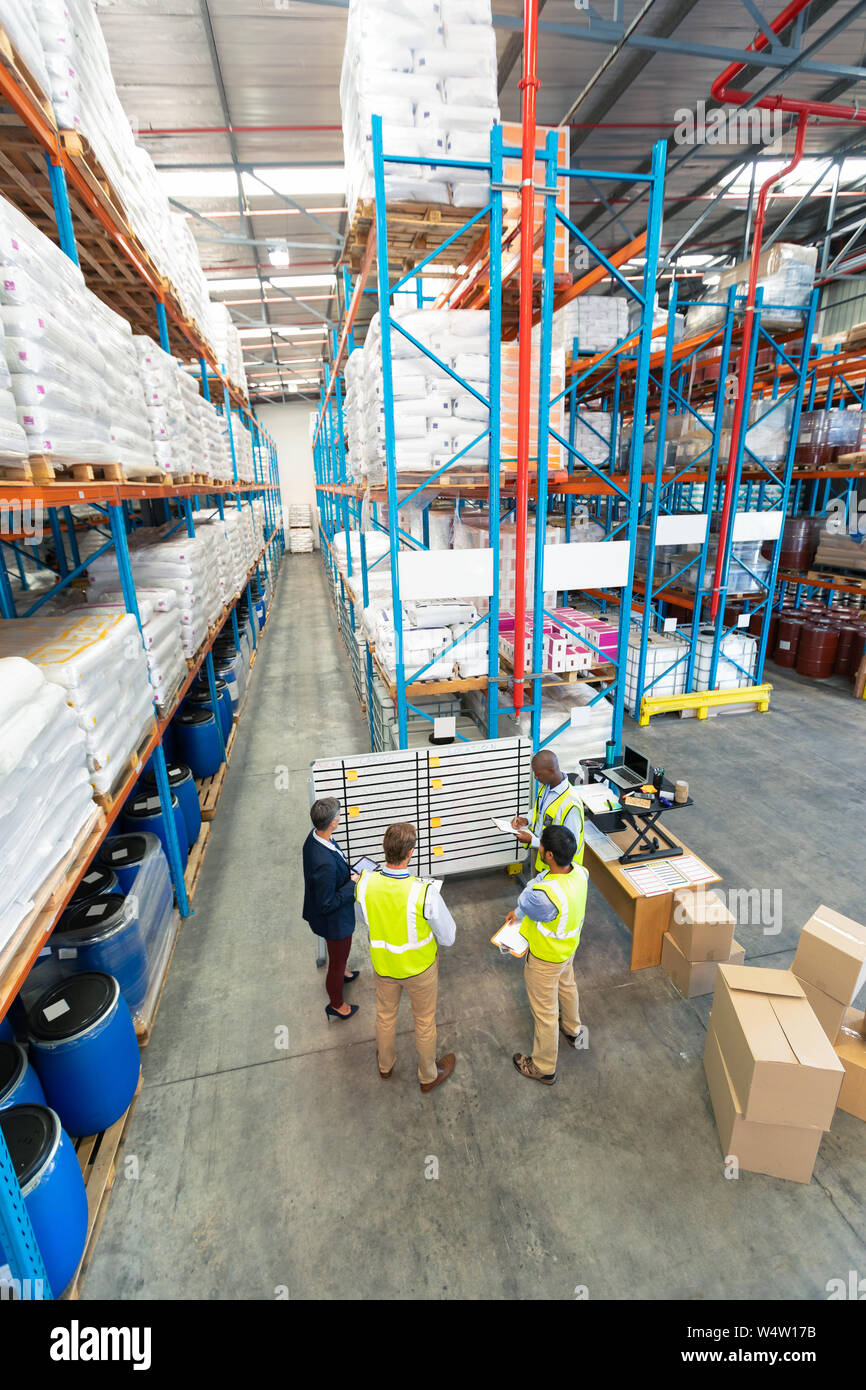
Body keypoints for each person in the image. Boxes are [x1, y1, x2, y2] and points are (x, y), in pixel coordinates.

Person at [354, 822, 457, 1093]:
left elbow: (366, 919)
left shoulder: (365, 884)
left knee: (385, 1016)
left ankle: (385, 1065)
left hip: (384, 966)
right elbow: (448, 938)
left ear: (385, 850)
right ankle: (427, 1075)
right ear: (410, 852)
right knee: (424, 1022)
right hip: (419, 969)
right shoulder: (425, 893)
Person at [502, 823, 588, 1086]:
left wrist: (518, 911)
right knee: (568, 987)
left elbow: (527, 899)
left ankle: (543, 1066)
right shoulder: (581, 873)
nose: (538, 848)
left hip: (544, 959)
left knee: (545, 1013)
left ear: (549, 855)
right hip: (568, 949)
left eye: (542, 846)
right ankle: (574, 1031)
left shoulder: (543, 895)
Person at [302, 797, 361, 1022]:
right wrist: (353, 884)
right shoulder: (323, 862)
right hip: (334, 921)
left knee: (339, 956)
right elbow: (327, 903)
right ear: (333, 823)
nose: (339, 817)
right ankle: (337, 1004)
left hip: (330, 914)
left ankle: (343, 971)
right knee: (336, 963)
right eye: (338, 815)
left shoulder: (316, 837)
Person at [510, 749, 584, 873]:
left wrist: (531, 840)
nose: (535, 777)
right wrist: (526, 820)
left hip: (560, 870)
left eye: (538, 774)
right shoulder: (546, 786)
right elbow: (540, 810)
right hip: (544, 861)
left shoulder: (570, 805)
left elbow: (569, 846)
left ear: (551, 771)